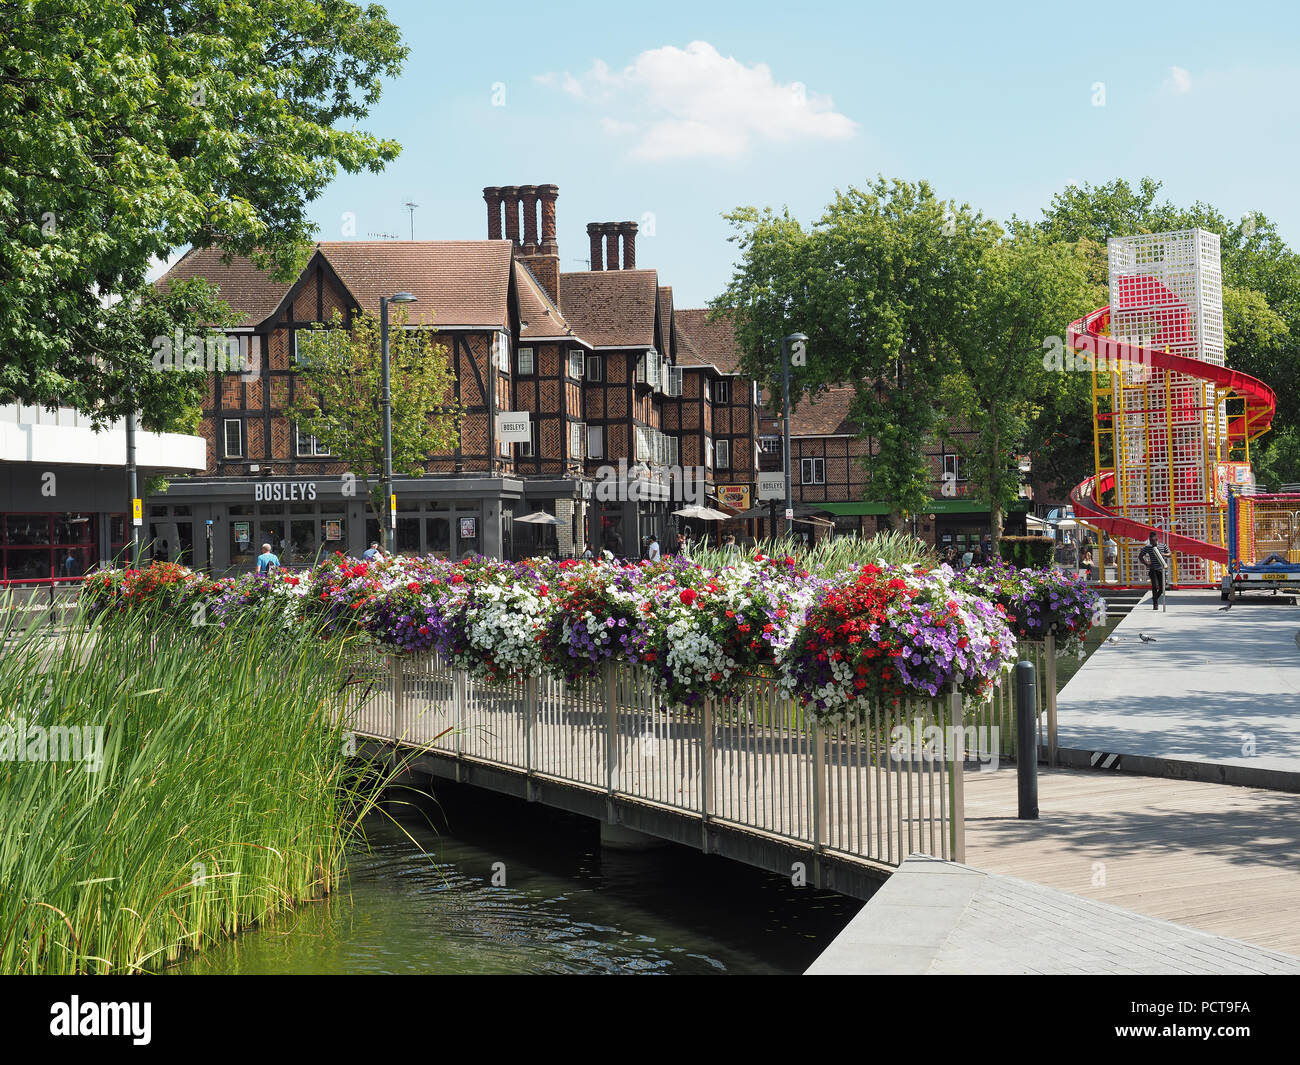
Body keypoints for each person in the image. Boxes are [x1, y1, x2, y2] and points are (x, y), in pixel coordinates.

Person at [1137, 532, 1169, 610]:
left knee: (1162, 587)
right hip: (1153, 569)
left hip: (1161, 569)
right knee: (1154, 586)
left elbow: (1170, 554)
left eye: (1153, 541)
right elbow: (1140, 556)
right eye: (1150, 541)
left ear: (1156, 539)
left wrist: (1163, 554)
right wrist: (1146, 563)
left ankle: (1155, 598)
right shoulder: (1148, 547)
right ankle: (1155, 604)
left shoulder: (1163, 546)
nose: (1152, 542)